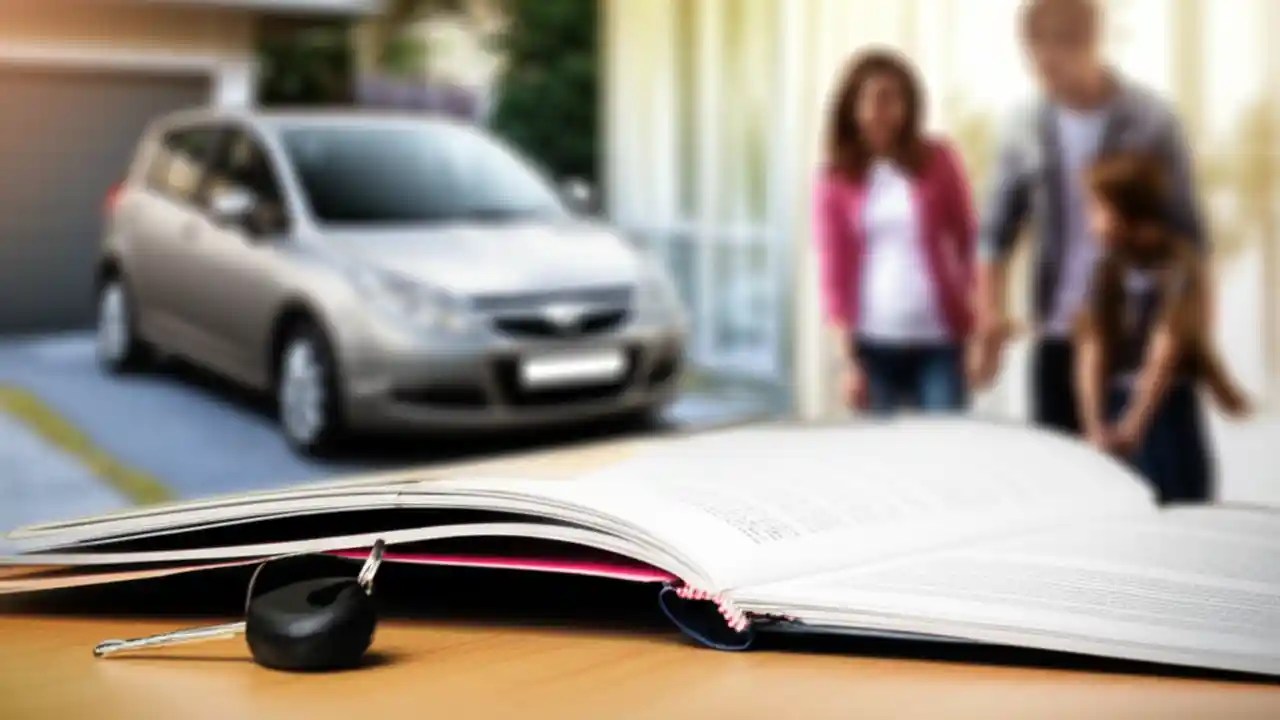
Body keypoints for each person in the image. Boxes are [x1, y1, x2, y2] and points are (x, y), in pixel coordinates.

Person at [969, 0, 1205, 434]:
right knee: (1065, 486)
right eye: (1034, 59)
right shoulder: (1021, 124)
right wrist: (989, 322)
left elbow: (1190, 238)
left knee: (1156, 485)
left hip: (1137, 336)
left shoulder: (1154, 121)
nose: (1044, 72)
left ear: (1092, 44)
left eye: (1056, 60)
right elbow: (994, 235)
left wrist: (1192, 338)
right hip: (1059, 337)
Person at [1075, 154, 1249, 503]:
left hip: (1167, 403)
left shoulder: (1179, 262)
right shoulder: (1107, 268)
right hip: (1119, 400)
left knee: (1182, 500)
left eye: (1097, 211)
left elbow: (1166, 348)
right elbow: (1093, 347)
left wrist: (1134, 427)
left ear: (1128, 211)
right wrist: (1094, 425)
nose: (1090, 225)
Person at [813, 49, 977, 415]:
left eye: (895, 99)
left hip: (939, 342)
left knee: (946, 451)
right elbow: (834, 276)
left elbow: (969, 242)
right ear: (853, 107)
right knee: (883, 463)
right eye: (874, 99)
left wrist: (977, 326)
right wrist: (848, 363)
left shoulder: (939, 159)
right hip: (873, 346)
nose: (884, 112)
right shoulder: (835, 179)